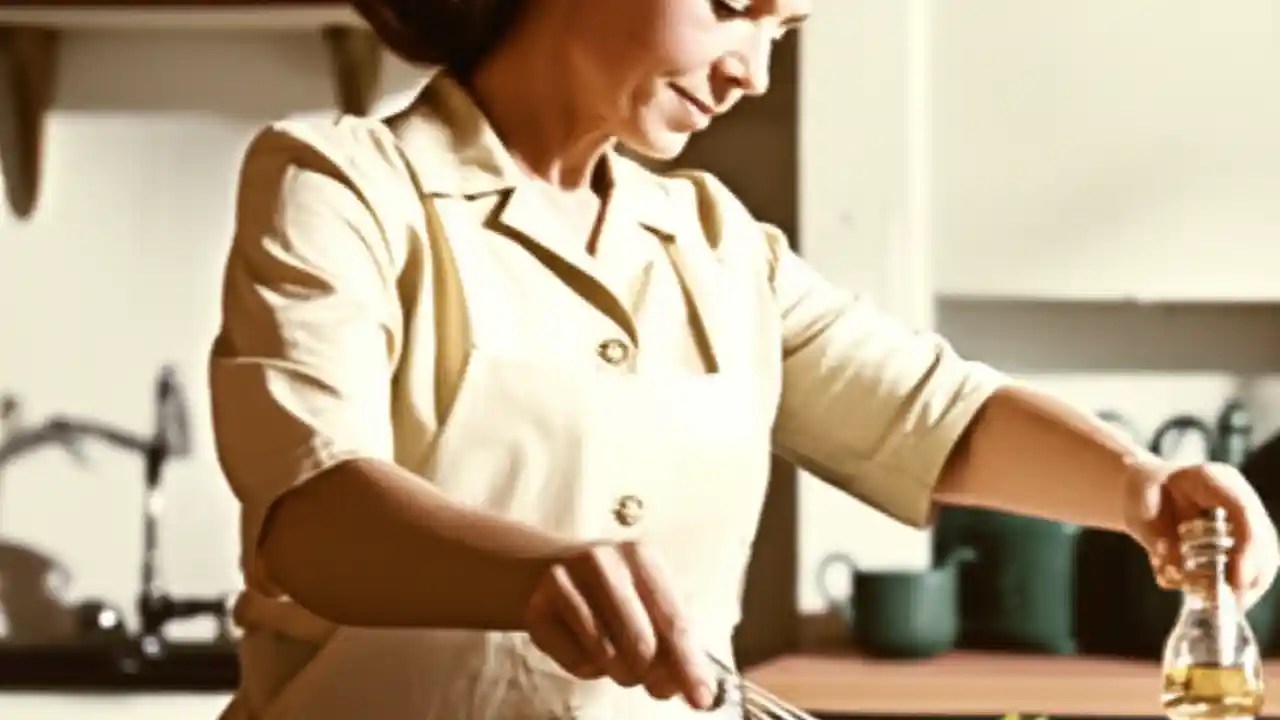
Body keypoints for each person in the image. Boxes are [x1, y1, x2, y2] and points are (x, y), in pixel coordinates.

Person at [206, 1, 1280, 718]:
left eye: (784, 26)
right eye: (733, 3)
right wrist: (533, 574)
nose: (751, 71)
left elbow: (928, 413)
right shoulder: (343, 184)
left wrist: (1139, 489)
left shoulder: (717, 245)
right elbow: (315, 516)